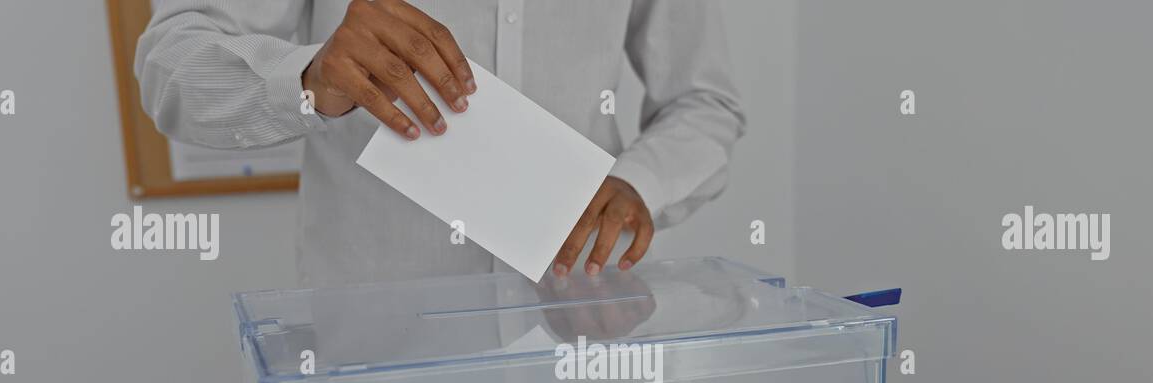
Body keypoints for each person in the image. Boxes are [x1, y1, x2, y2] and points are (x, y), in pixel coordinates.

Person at [136, 0, 746, 286]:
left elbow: (705, 101)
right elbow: (173, 63)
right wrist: (309, 76)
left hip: (579, 349)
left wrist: (639, 182)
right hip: (376, 376)